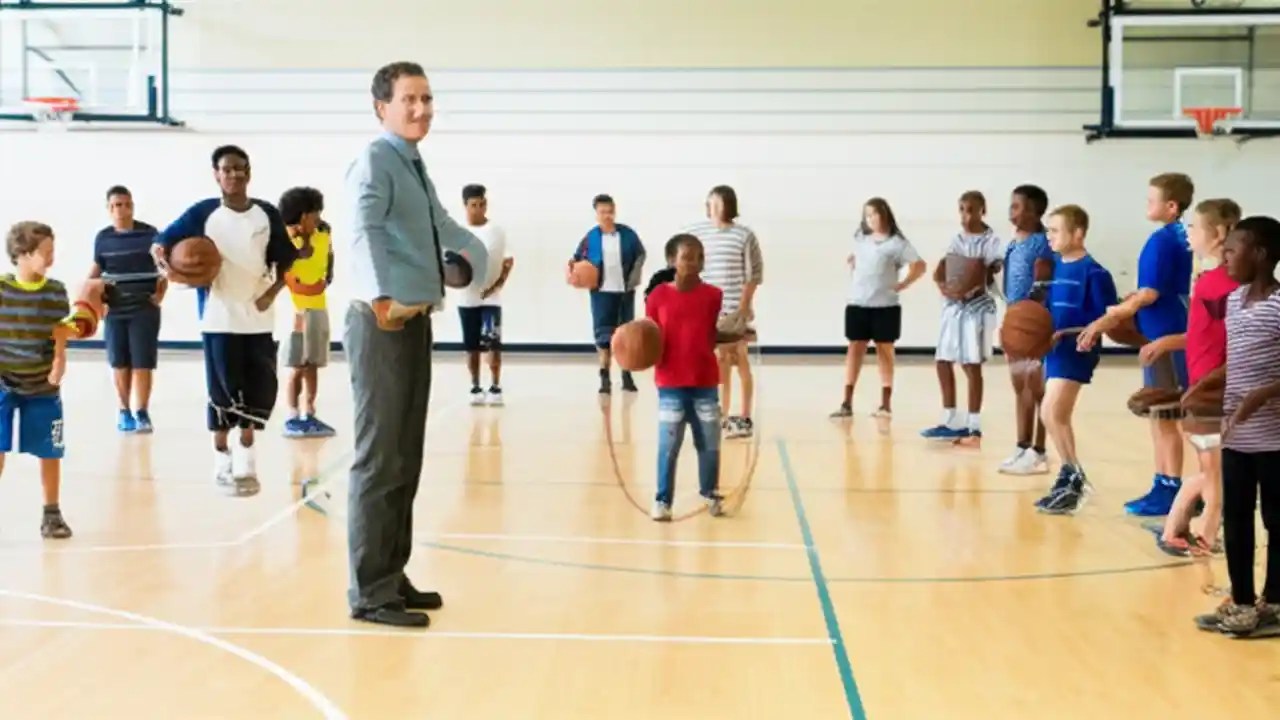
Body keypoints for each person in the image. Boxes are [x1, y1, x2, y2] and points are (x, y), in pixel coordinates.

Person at [344, 61, 492, 629]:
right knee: (380, 458)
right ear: (381, 106)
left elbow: (444, 227)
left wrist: (476, 260)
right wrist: (380, 295)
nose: (421, 109)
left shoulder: (412, 161)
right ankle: (369, 591)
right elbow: (363, 230)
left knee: (406, 456)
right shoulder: (376, 159)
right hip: (381, 322)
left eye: (427, 98)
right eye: (409, 99)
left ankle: (390, 573)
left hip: (413, 319)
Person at [151, 145, 296, 496]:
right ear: (216, 174)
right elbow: (161, 243)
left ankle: (247, 455)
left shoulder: (266, 214)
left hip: (258, 317)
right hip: (218, 317)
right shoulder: (204, 213)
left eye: (239, 168)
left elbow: (286, 262)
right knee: (222, 391)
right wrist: (165, 264)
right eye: (226, 169)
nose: (233, 174)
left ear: (249, 172)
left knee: (258, 389)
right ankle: (221, 457)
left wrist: (270, 294)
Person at [1079, 172, 1195, 517]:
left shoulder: (1162, 240)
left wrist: (1107, 318)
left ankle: (1171, 487)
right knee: (1163, 415)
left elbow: (1149, 293)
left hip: (1165, 335)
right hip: (1167, 327)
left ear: (1171, 206)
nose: (1146, 205)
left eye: (1151, 199)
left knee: (1165, 414)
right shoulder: (1181, 237)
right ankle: (1166, 483)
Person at [1189, 215, 1280, 636]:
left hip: (1275, 437)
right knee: (1237, 518)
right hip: (1238, 433)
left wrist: (1262, 394)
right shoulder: (1237, 301)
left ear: (1260, 254)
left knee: (1276, 521)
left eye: (1233, 248)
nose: (1224, 255)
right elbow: (1238, 359)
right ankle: (1243, 602)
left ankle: (1275, 603)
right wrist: (1205, 383)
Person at [1140, 199, 1241, 555]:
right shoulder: (1211, 283)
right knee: (1215, 469)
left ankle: (1176, 527)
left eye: (1194, 228)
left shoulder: (1226, 285)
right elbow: (1204, 335)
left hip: (1221, 388)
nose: (1188, 235)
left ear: (1220, 234)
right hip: (1209, 391)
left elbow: (1229, 336)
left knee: (1217, 467)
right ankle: (1206, 535)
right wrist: (1168, 343)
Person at [0, 222, 101, 539]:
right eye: (46, 252)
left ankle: (52, 513)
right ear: (23, 255)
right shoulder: (2, 290)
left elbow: (62, 331)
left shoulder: (55, 291)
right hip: (4, 382)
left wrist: (61, 357)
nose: (52, 258)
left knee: (50, 451)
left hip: (43, 386)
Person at [1034, 205, 1119, 514]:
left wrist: (1071, 332)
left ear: (1078, 233)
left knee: (1052, 411)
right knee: (1052, 415)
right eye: (1049, 230)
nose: (1050, 236)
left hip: (1077, 351)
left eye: (1056, 230)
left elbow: (1108, 319)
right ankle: (1070, 476)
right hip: (1053, 350)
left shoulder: (1095, 273)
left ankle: (1074, 478)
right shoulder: (1052, 267)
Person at [645, 234, 725, 521]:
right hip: (670, 384)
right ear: (672, 260)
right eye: (687, 257)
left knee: (709, 444)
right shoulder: (657, 297)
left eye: (699, 257)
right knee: (668, 446)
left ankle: (710, 492)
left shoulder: (714, 295)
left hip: (705, 382)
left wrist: (737, 331)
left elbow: (711, 333)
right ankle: (662, 500)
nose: (694, 262)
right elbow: (649, 337)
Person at [921, 191, 1004, 447]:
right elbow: (942, 270)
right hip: (953, 306)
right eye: (962, 209)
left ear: (983, 210)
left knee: (971, 365)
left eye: (971, 209)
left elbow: (987, 273)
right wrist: (946, 288)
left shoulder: (993, 241)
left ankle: (974, 427)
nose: (966, 215)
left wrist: (971, 281)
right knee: (943, 361)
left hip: (978, 308)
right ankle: (950, 420)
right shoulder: (955, 239)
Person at [830, 197, 925, 419]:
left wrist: (904, 284)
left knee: (885, 351)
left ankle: (885, 403)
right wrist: (853, 262)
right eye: (867, 215)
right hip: (858, 302)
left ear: (884, 214)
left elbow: (919, 265)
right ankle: (847, 401)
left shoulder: (897, 243)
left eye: (874, 214)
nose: (870, 219)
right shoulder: (861, 238)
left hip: (885, 306)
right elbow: (861, 258)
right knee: (855, 348)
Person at [683, 185, 764, 439]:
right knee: (719, 365)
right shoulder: (697, 233)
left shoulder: (744, 235)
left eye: (718, 203)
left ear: (728, 205)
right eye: (710, 203)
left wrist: (744, 305)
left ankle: (744, 416)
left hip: (732, 308)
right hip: (707, 308)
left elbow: (754, 274)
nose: (713, 208)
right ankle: (723, 416)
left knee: (739, 360)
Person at [90, 185, 164, 433]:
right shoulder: (103, 238)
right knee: (120, 362)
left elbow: (165, 267)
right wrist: (90, 300)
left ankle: (142, 412)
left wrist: (160, 293)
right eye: (117, 205)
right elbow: (95, 272)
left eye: (127, 204)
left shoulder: (150, 234)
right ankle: (124, 411)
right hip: (115, 308)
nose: (122, 209)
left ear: (132, 205)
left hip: (144, 306)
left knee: (143, 362)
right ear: (109, 209)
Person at [998, 184, 1055, 475]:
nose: (1012, 211)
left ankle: (1040, 451)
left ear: (1036, 212)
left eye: (1018, 206)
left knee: (1036, 388)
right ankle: (1021, 445)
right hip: (1015, 320)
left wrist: (1025, 319)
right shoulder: (1013, 243)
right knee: (1019, 387)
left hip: (1032, 324)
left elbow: (1042, 285)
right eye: (1011, 205)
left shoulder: (1041, 244)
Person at [570, 193, 645, 395]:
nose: (607, 215)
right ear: (596, 213)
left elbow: (640, 254)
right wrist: (576, 273)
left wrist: (634, 280)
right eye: (603, 212)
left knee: (625, 335)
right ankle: (604, 377)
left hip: (624, 292)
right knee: (603, 336)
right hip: (601, 293)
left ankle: (626, 376)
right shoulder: (591, 238)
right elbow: (576, 259)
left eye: (610, 211)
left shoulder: (628, 234)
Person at [277, 186, 337, 438]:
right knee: (298, 364)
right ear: (302, 216)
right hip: (297, 311)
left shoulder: (324, 233)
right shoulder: (286, 241)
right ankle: (291, 415)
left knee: (313, 363)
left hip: (318, 305)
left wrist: (329, 272)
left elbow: (329, 254)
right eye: (314, 214)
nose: (319, 219)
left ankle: (309, 412)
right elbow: (282, 273)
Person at [456, 183, 512, 406]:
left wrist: (497, 285)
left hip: (491, 299)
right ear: (465, 206)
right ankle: (475, 386)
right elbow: (450, 265)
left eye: (482, 204)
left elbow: (508, 261)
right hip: (466, 299)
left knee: (492, 344)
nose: (478, 209)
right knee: (472, 347)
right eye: (473, 205)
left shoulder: (496, 231)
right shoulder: (459, 233)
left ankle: (495, 387)